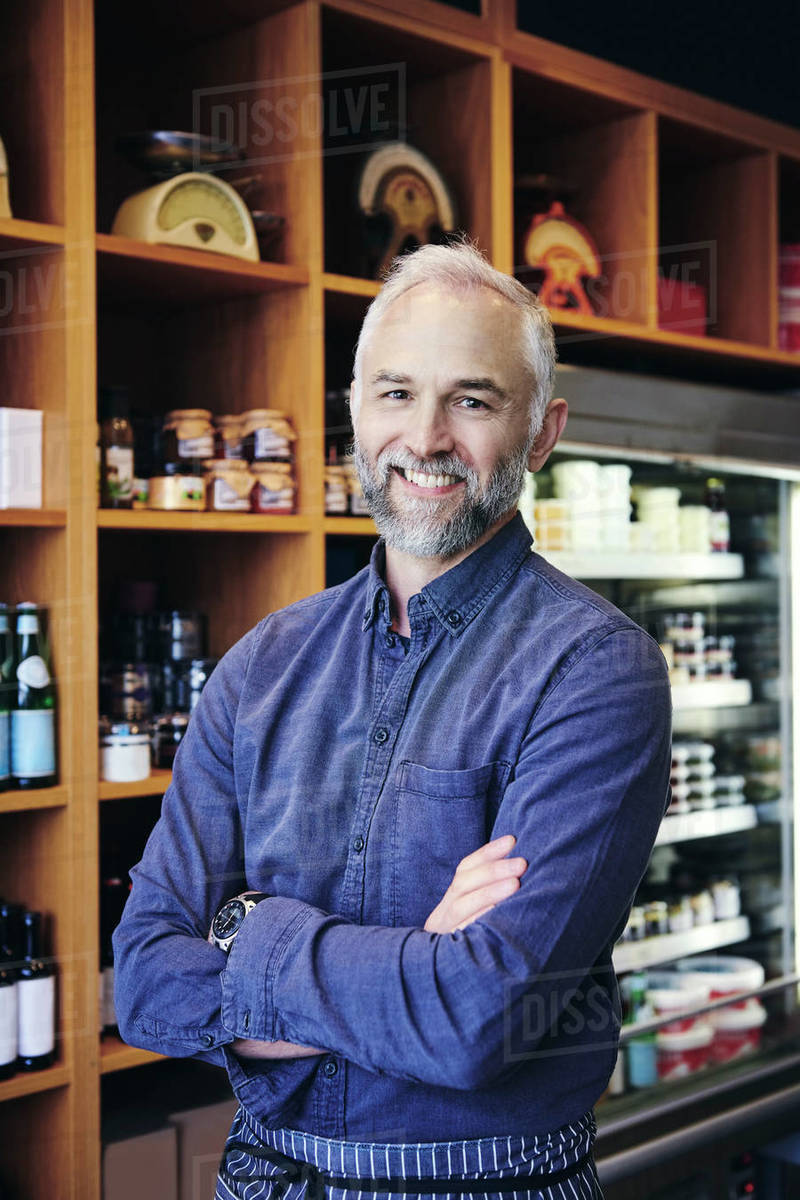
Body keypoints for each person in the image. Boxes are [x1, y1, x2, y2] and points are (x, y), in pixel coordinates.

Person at [114, 241, 671, 1200]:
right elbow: (147, 983)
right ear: (356, 409)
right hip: (267, 1180)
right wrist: (414, 955)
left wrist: (248, 930)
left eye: (474, 400)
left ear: (541, 433)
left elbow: (474, 1021)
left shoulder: (595, 672)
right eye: (395, 393)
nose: (425, 438)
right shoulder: (263, 664)